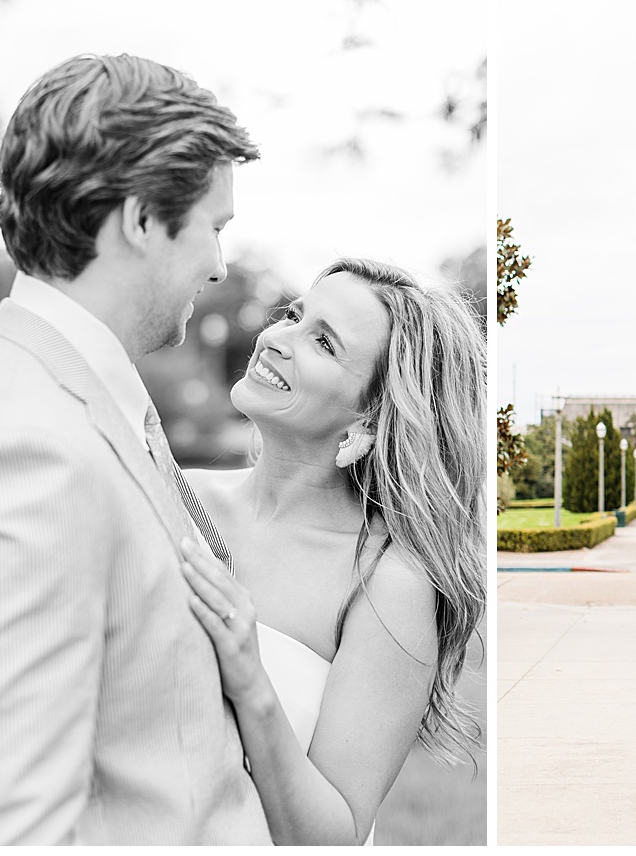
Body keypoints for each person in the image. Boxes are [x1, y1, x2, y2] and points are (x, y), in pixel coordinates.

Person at [0, 54, 270, 844]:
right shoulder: (17, 447)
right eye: (214, 227)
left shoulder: (80, 397)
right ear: (141, 219)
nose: (219, 265)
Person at [177, 257, 486, 845]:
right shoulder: (173, 496)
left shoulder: (385, 583)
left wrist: (251, 685)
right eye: (295, 315)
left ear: (369, 417)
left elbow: (334, 837)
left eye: (323, 342)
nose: (277, 339)